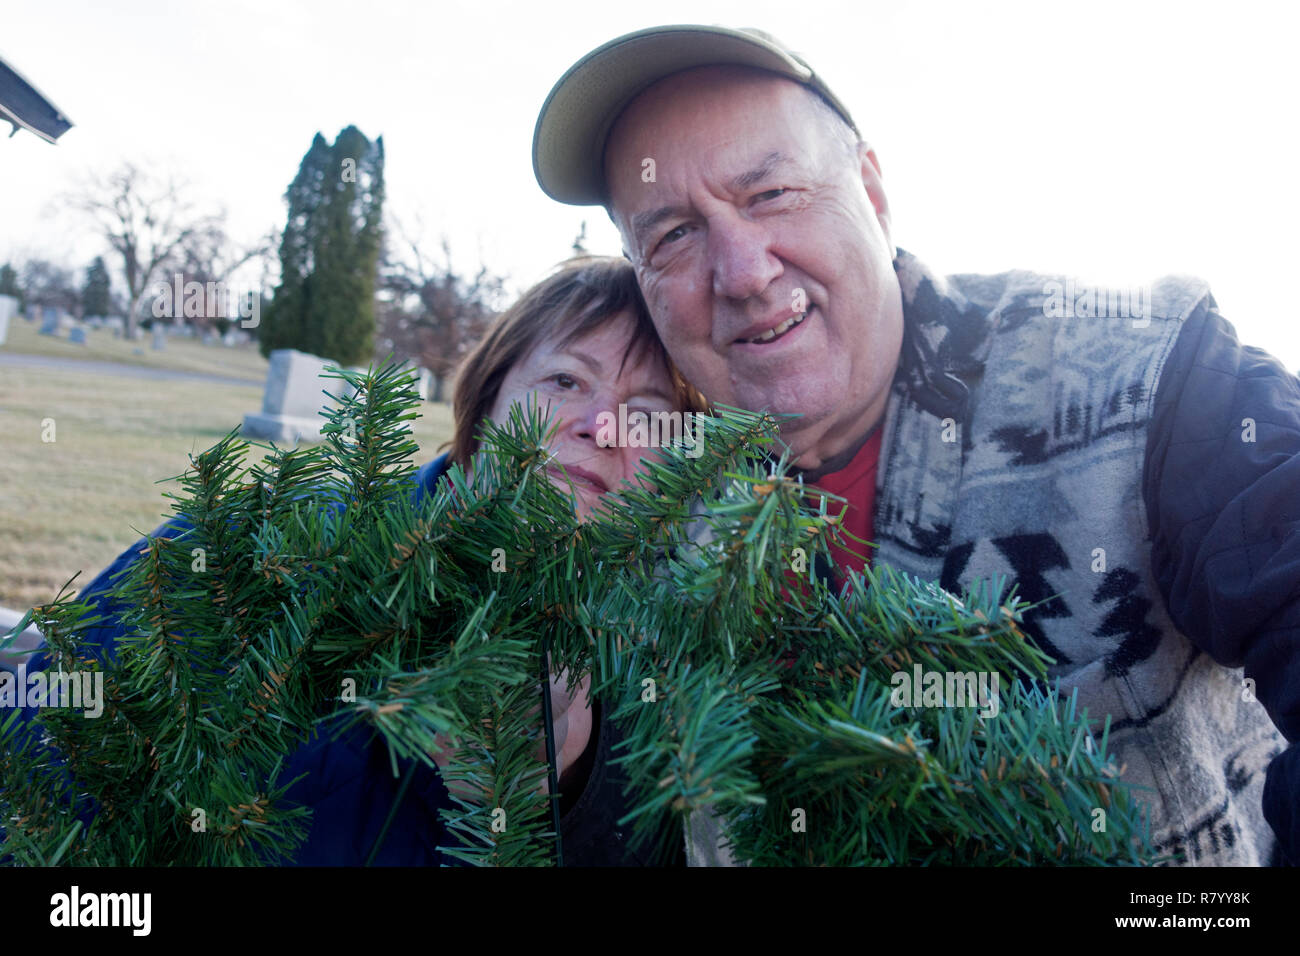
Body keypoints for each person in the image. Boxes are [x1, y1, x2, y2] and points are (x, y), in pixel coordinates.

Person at [532, 24, 1300, 866]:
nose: (743, 272)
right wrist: (567, 776)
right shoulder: (662, 514)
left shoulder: (1146, 372)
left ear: (871, 189)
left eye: (772, 193)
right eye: (673, 234)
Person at [15, 255, 704, 866]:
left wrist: (571, 784)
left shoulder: (683, 659)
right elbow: (40, 759)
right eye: (565, 380)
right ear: (489, 396)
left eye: (645, 412)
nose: (600, 425)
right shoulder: (263, 541)